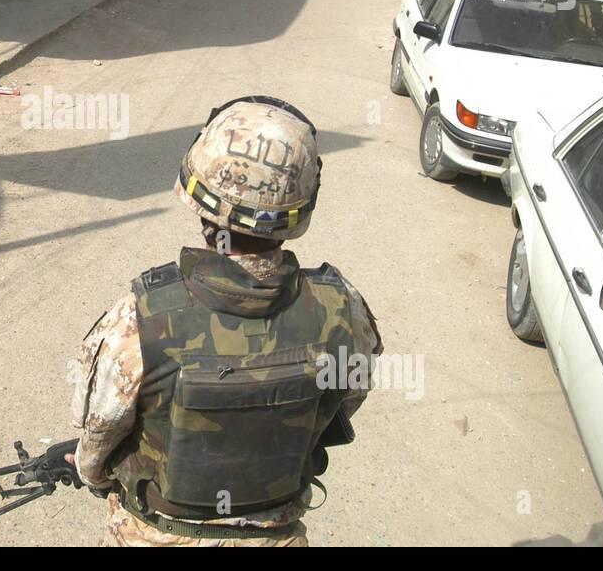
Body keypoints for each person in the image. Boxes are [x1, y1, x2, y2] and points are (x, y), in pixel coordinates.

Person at [68, 96, 383, 547]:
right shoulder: (343, 309)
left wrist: (97, 476)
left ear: (198, 193)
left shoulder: (137, 322)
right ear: (300, 204)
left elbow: (97, 444)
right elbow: (344, 400)